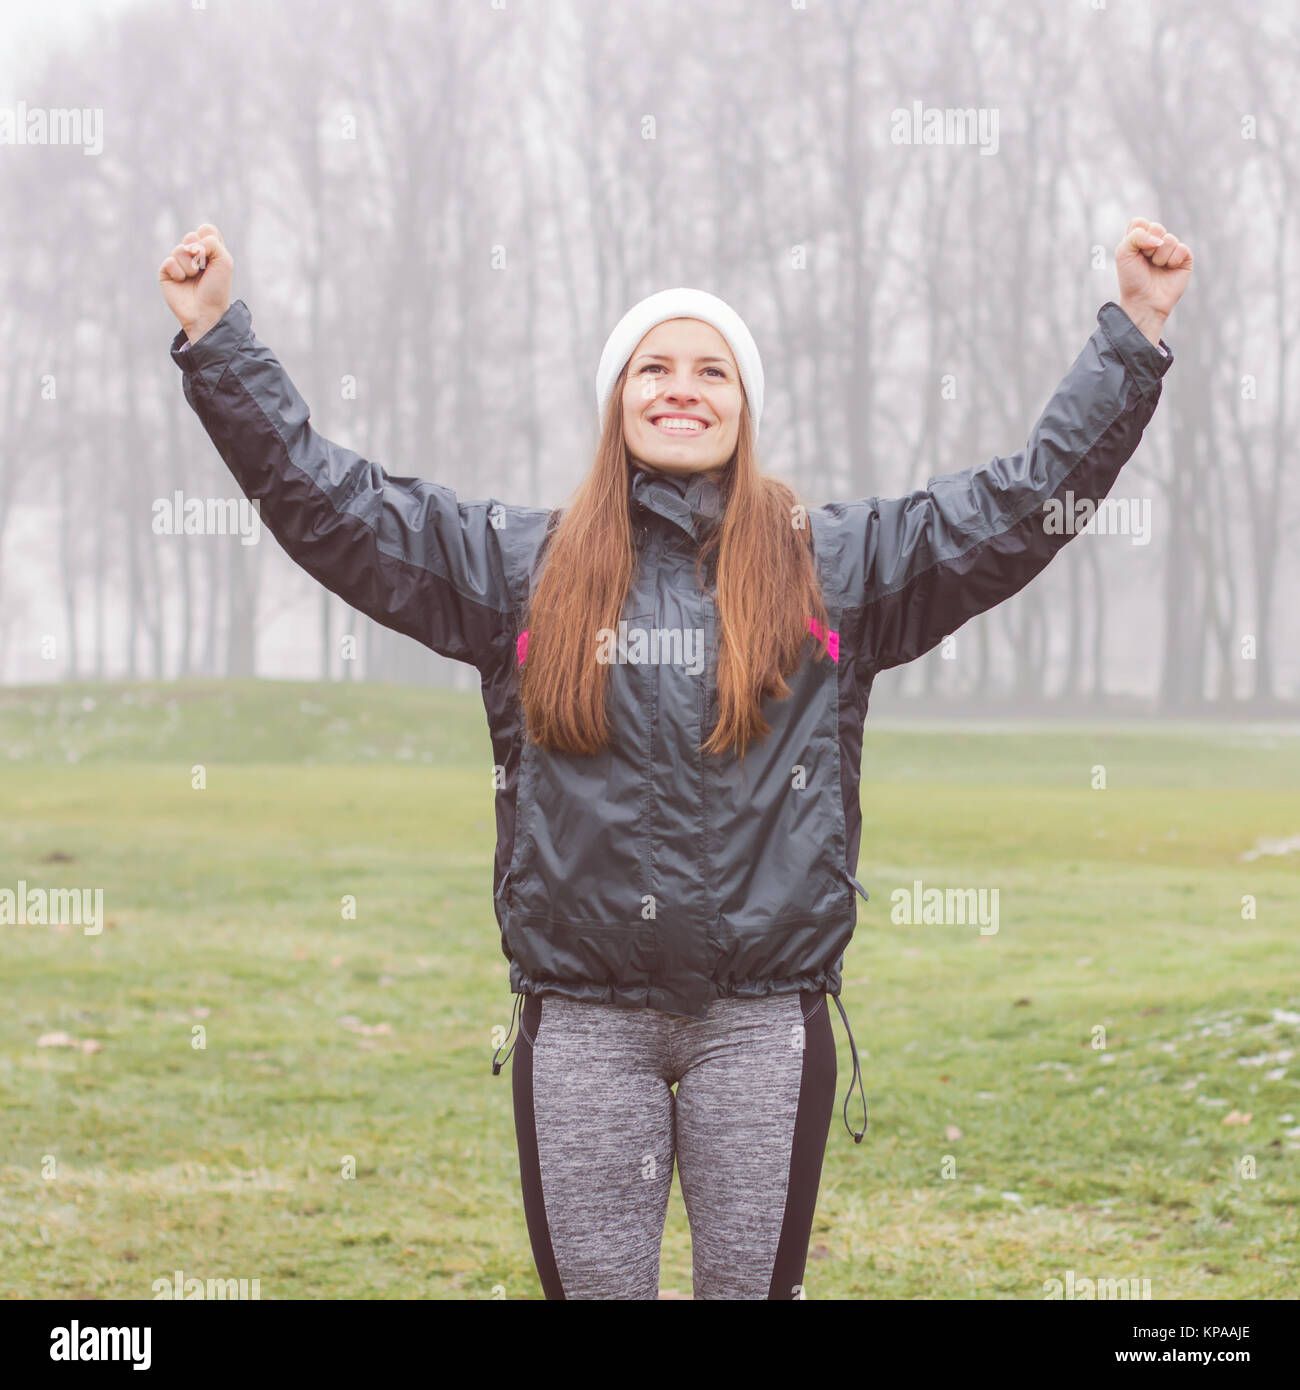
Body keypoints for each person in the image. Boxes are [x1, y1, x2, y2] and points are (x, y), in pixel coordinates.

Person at [159, 219, 1192, 1300]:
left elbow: (1021, 503)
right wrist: (218, 338)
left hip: (761, 1027)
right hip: (580, 1031)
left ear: (743, 408)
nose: (680, 389)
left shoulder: (831, 567)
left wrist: (1134, 329)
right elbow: (331, 504)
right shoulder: (521, 568)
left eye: (711, 371)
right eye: (653, 367)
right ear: (617, 400)